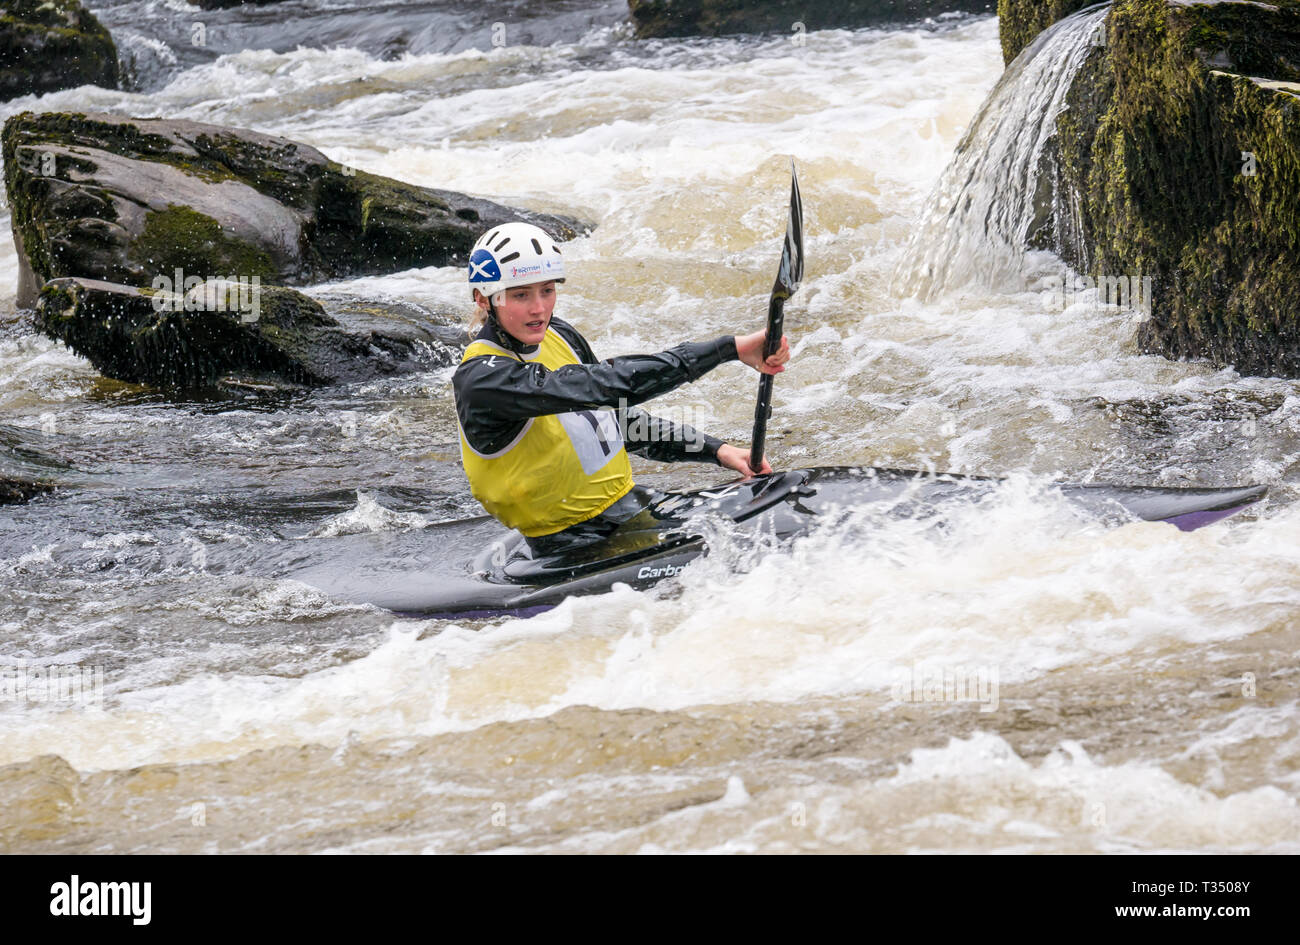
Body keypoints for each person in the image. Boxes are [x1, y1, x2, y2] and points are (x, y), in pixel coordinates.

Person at [453, 221, 791, 554]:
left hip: (630, 508)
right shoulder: (483, 381)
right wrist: (726, 349)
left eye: (547, 290)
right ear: (485, 299)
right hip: (566, 544)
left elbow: (616, 424)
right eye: (520, 295)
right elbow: (608, 385)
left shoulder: (560, 336)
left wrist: (719, 452)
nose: (539, 308)